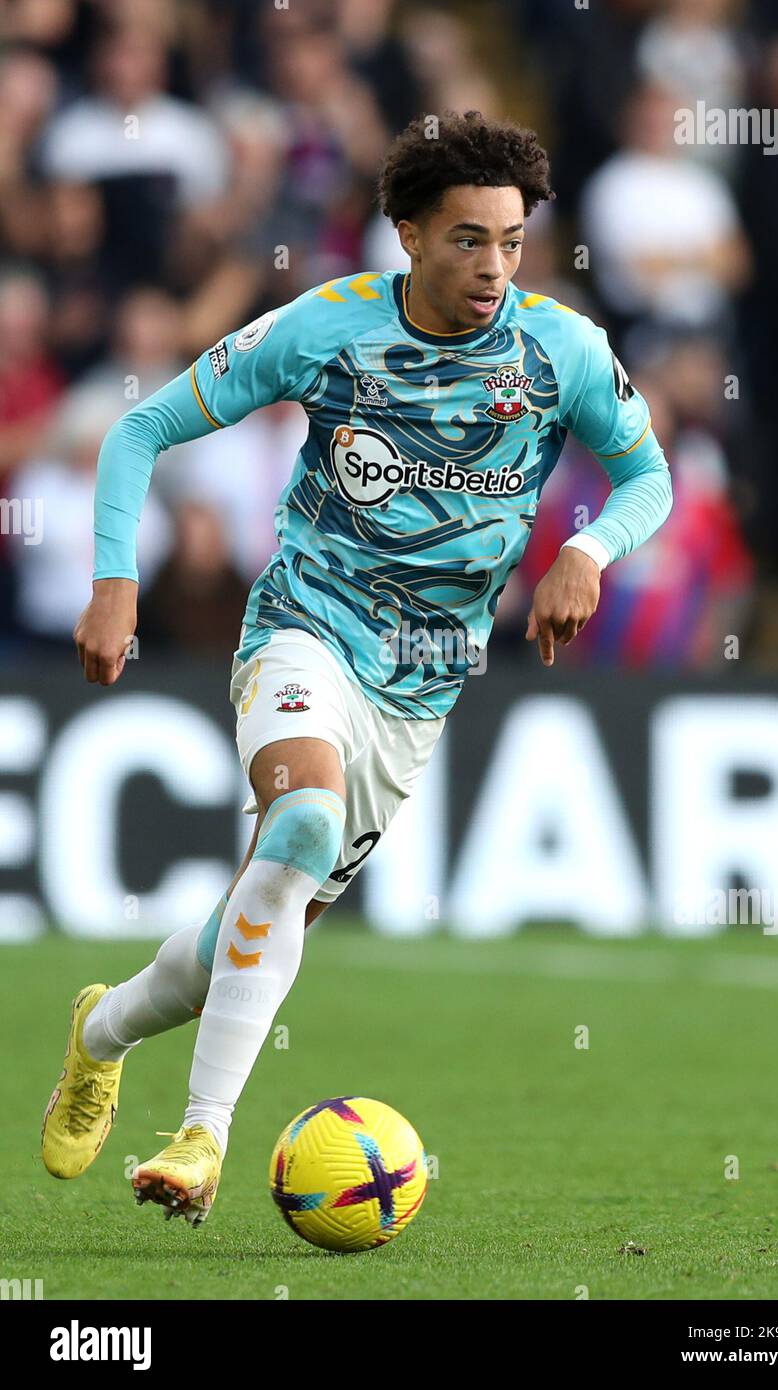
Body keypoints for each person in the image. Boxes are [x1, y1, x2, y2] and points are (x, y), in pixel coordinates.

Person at [41, 111, 673, 1227]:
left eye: (511, 242)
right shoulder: (324, 329)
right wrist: (114, 581)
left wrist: (586, 549)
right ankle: (202, 1138)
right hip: (305, 628)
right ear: (404, 232)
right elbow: (138, 432)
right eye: (466, 240)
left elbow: (646, 480)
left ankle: (99, 1033)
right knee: (299, 829)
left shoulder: (557, 350)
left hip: (420, 686)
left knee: (257, 911)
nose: (492, 269)